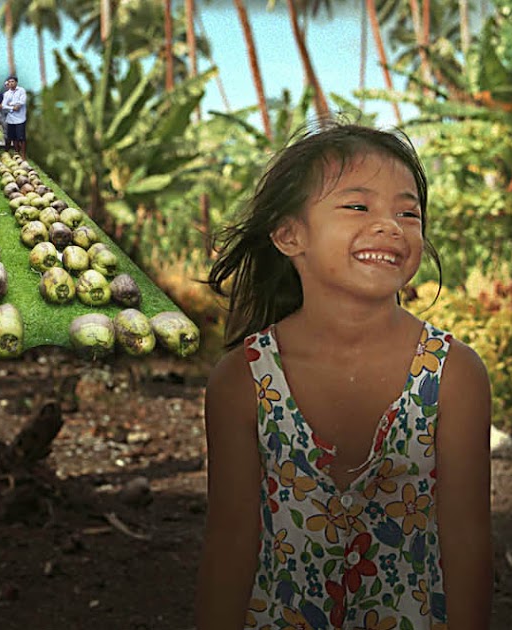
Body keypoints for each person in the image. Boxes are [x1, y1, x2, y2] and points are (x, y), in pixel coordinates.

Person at [196, 124, 493, 629]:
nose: (390, 226)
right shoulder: (243, 380)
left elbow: (467, 543)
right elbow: (230, 542)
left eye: (408, 213)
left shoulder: (454, 375)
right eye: (358, 206)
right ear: (290, 235)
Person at [0, 75, 27, 158]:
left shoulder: (21, 90)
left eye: (12, 81)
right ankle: (17, 153)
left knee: (21, 138)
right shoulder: (6, 94)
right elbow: (3, 106)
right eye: (9, 82)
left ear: (16, 82)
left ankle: (23, 155)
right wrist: (12, 107)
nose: (11, 83)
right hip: (10, 119)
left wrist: (10, 104)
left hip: (20, 119)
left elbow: (22, 102)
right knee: (13, 137)